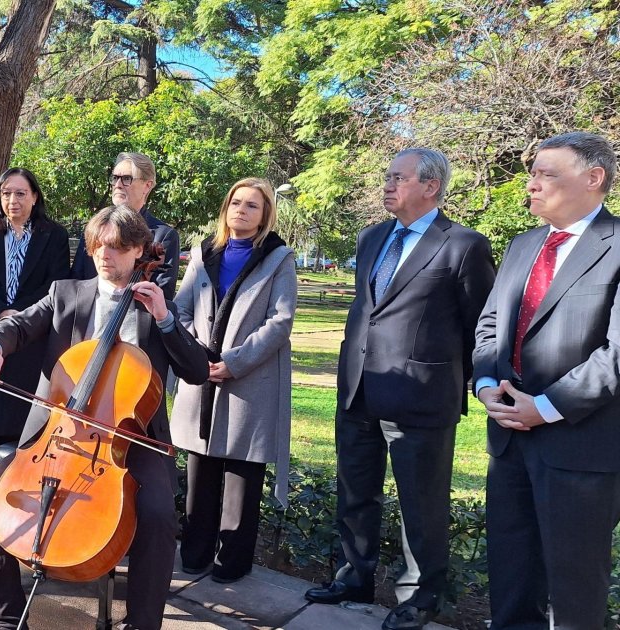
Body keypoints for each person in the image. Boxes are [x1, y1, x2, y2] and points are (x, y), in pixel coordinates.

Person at [0, 205, 209, 630]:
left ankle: (143, 623)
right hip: (58, 437)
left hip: (132, 440)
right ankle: (7, 616)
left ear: (138, 251)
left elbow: (197, 370)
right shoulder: (66, 294)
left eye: (115, 248)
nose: (104, 256)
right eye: (98, 246)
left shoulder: (155, 305)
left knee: (157, 513)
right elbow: (19, 326)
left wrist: (165, 318)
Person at [305, 148, 494, 629]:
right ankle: (353, 575)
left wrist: (478, 382)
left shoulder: (463, 245)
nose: (386, 185)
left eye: (397, 178)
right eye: (386, 176)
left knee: (421, 504)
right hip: (358, 390)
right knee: (355, 493)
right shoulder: (371, 238)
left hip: (423, 399)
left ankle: (418, 598)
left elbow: (480, 324)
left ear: (430, 186)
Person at [473, 131, 620, 628]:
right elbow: (491, 324)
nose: (531, 184)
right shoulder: (521, 245)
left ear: (593, 178)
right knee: (511, 578)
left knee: (576, 588)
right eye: (532, 174)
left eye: (545, 173)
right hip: (509, 441)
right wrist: (486, 382)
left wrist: (547, 406)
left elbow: (616, 354)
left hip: (581, 448)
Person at [170, 178, 297, 583]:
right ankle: (195, 552)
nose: (241, 210)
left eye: (252, 206)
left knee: (241, 475)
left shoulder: (279, 258)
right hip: (200, 376)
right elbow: (181, 309)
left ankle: (233, 562)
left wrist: (233, 361)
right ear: (226, 208)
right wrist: (195, 356)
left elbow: (280, 321)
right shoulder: (202, 253)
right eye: (236, 202)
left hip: (249, 380)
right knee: (200, 468)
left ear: (265, 216)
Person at [0, 167, 69, 472]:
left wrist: (20, 314)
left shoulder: (53, 235)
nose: (12, 200)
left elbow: (56, 285)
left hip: (31, 341)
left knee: (23, 431)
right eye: (6, 193)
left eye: (20, 193)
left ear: (34, 196)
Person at [69, 152, 180, 299]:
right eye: (115, 178)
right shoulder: (95, 227)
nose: (117, 185)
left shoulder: (164, 236)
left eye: (126, 179)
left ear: (147, 186)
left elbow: (162, 296)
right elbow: (76, 279)